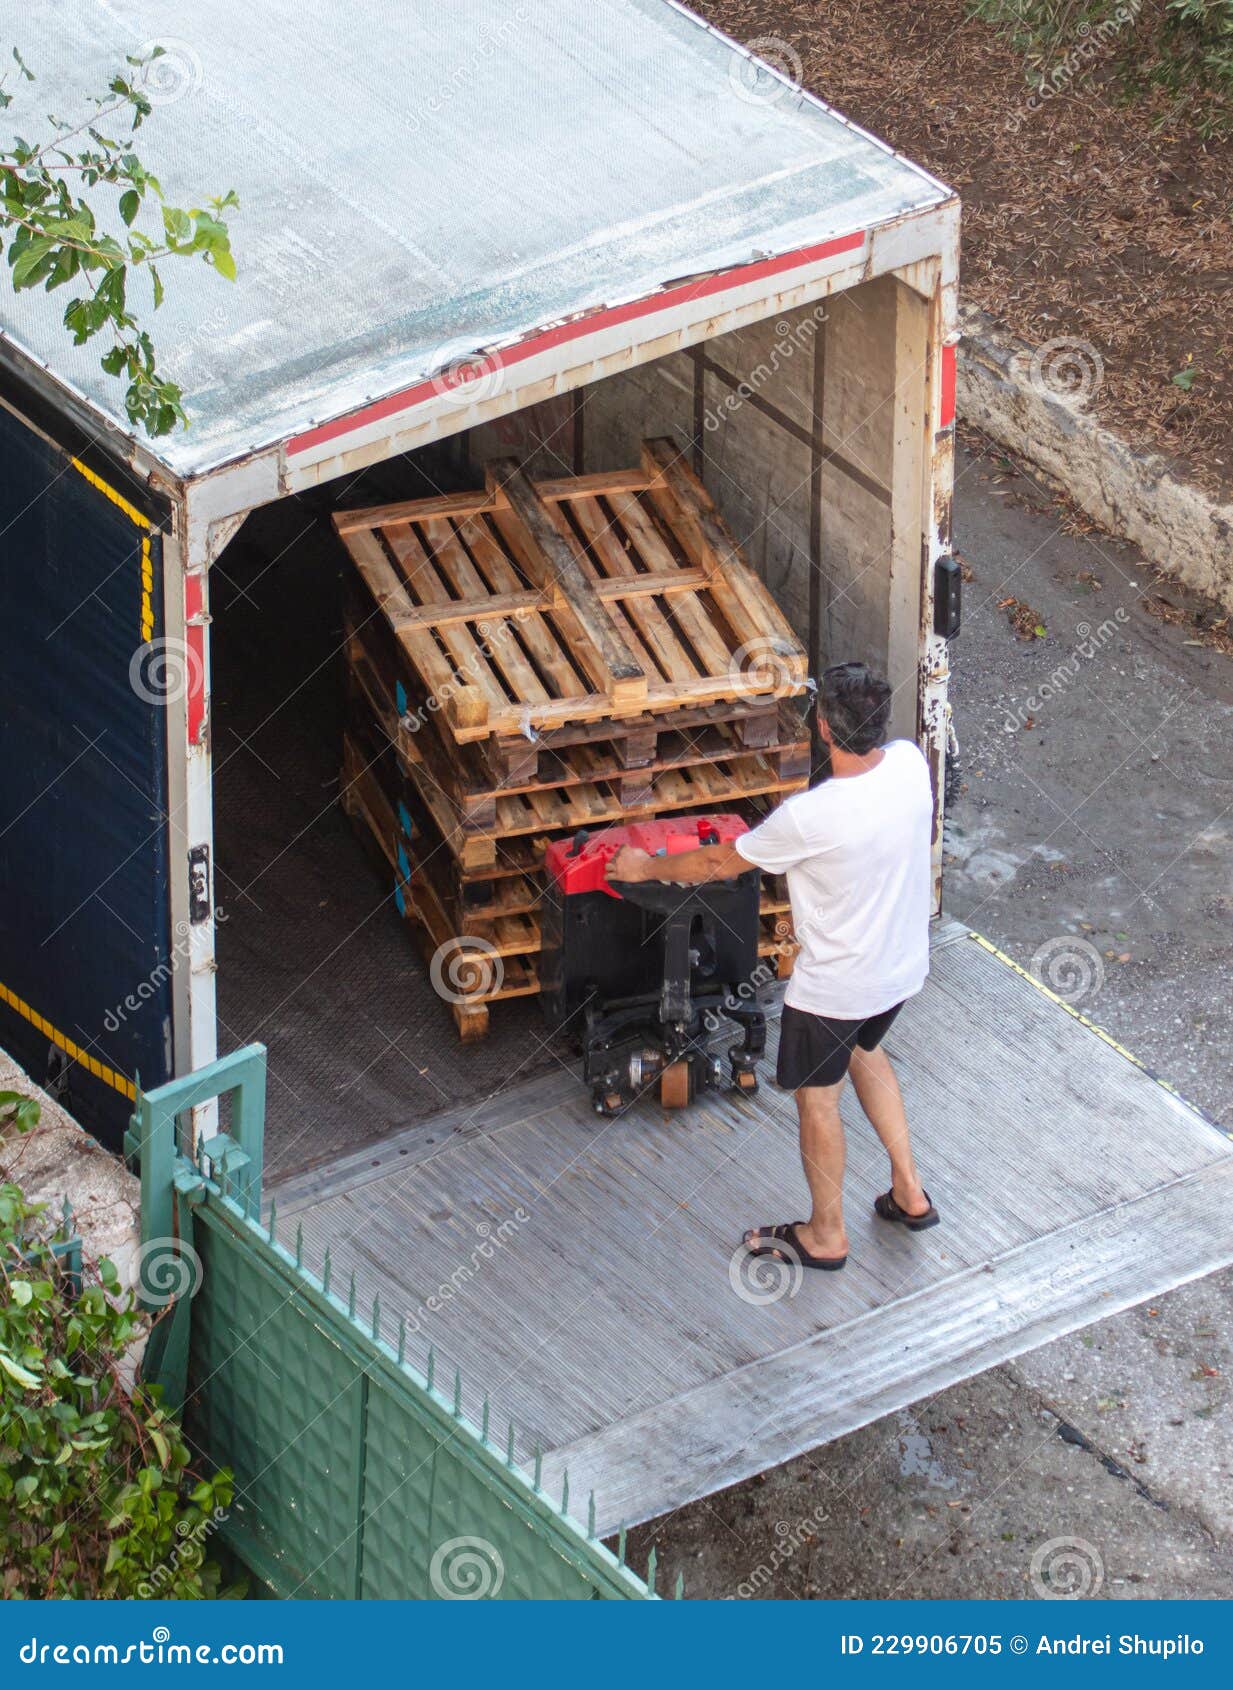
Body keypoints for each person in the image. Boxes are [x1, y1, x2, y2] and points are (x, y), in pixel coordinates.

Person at [604, 660, 938, 1273]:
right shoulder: (911, 764)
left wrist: (642, 867)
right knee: (867, 1053)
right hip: (900, 968)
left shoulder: (810, 816)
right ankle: (909, 1192)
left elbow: (718, 864)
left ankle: (826, 1235)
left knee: (818, 1103)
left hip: (835, 989)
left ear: (823, 729)